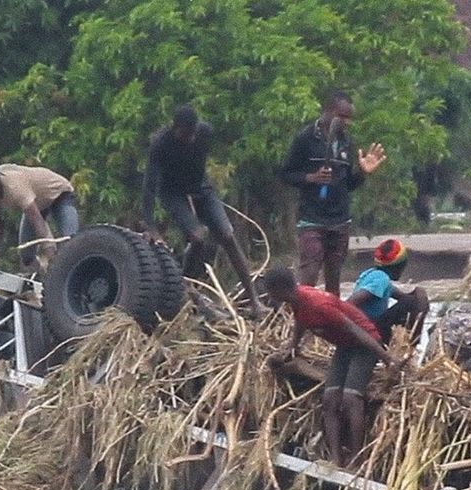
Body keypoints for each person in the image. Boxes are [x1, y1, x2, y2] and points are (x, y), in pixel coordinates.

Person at [265, 267, 400, 466]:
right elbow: (300, 320)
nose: (269, 297)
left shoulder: (318, 304)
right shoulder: (297, 300)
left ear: (280, 289)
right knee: (329, 399)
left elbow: (355, 329)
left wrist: (387, 358)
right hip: (344, 345)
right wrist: (293, 346)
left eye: (271, 292)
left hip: (365, 343)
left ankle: (356, 457)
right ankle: (336, 459)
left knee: (351, 397)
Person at [140, 105, 263, 313]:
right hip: (173, 192)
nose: (190, 138)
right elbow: (149, 186)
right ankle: (185, 288)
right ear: (175, 129)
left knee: (227, 235)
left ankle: (254, 301)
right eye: (185, 134)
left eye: (192, 133)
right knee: (198, 238)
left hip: (201, 188)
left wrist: (197, 195)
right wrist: (151, 226)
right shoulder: (160, 144)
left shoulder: (205, 132)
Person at [280, 90, 387, 294]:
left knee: (334, 278)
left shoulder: (346, 142)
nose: (347, 122)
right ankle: (302, 311)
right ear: (327, 111)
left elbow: (348, 185)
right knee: (310, 273)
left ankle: (330, 314)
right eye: (342, 116)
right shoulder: (305, 138)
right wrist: (311, 178)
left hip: (340, 220)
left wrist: (363, 172)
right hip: (312, 218)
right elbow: (286, 174)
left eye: (349, 118)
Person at [0, 156, 80, 272]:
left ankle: (68, 272)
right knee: (27, 256)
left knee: (71, 243)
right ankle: (42, 275)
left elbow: (37, 221)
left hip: (60, 194)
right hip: (38, 202)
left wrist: (50, 252)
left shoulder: (15, 188)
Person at [349, 238, 429, 343]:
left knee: (416, 296)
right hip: (369, 329)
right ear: (398, 266)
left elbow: (403, 296)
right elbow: (350, 302)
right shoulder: (381, 278)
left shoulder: (373, 274)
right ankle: (413, 341)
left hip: (367, 327)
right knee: (411, 302)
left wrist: (419, 294)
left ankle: (409, 341)